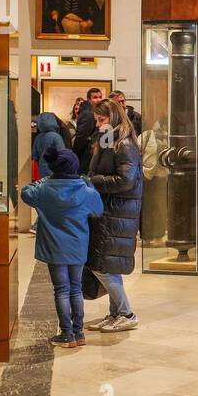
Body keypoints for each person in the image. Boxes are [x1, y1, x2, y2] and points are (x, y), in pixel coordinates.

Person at [20, 146, 102, 348]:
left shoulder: (44, 189)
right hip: (77, 247)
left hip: (54, 248)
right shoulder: (85, 190)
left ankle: (66, 334)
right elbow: (98, 210)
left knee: (61, 290)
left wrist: (44, 179)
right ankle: (78, 332)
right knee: (76, 289)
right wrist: (86, 182)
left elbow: (25, 193)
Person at [85, 99, 143, 332]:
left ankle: (127, 313)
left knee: (103, 266)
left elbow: (125, 180)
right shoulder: (109, 141)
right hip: (109, 209)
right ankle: (115, 314)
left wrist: (94, 181)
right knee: (107, 263)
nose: (99, 125)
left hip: (118, 211)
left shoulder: (124, 144)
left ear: (114, 118)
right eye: (97, 121)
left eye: (103, 120)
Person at [71, 86, 104, 167]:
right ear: (89, 99)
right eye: (95, 97)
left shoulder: (93, 111)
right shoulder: (88, 114)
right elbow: (82, 137)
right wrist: (75, 154)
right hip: (86, 154)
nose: (98, 100)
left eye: (100, 97)